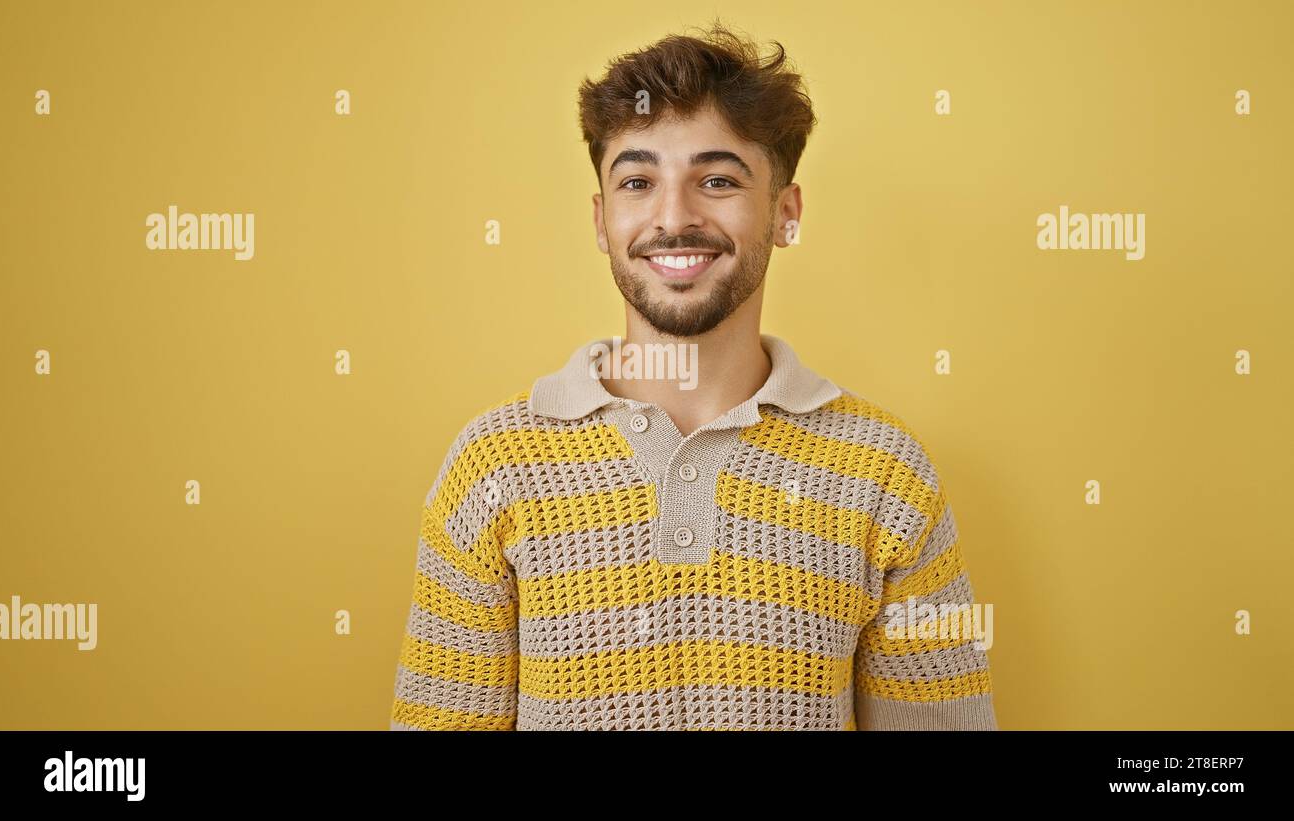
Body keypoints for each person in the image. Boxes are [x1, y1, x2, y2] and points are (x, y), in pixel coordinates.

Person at [390, 21, 998, 730]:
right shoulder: (489, 471)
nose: (673, 218)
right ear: (602, 220)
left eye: (717, 179)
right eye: (639, 181)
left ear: (785, 213)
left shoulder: (889, 477)